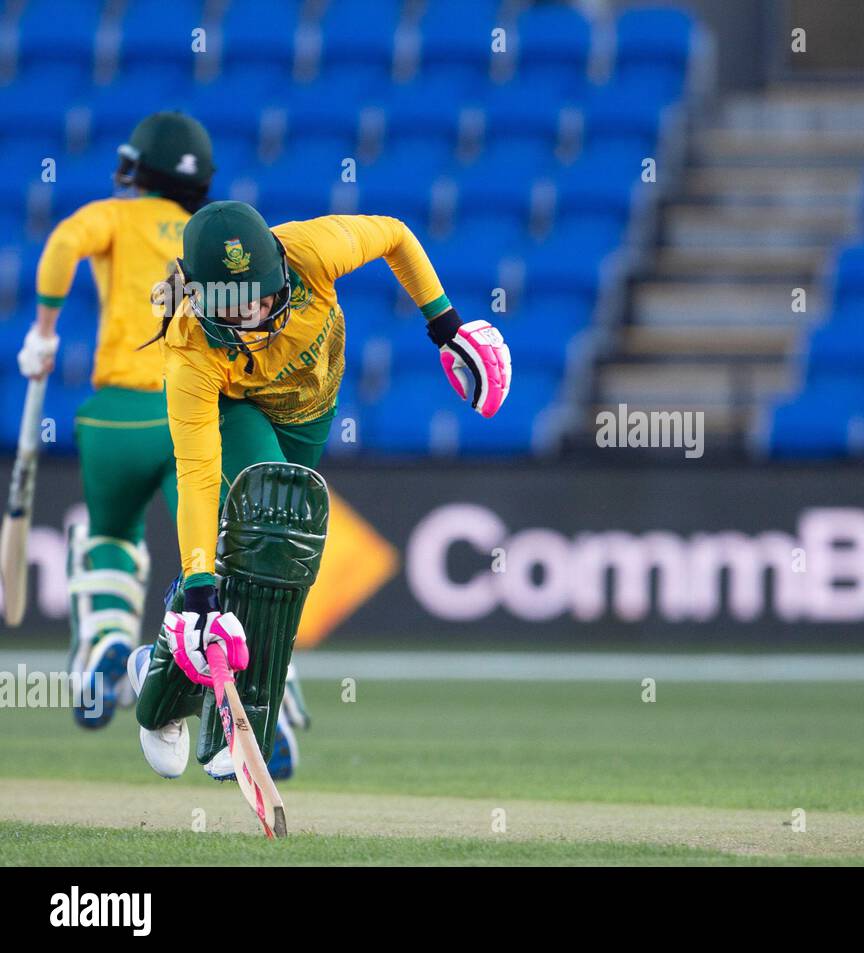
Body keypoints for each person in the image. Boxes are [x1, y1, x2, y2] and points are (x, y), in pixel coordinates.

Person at [129, 200, 511, 781]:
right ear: (199, 295)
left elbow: (396, 235)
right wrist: (203, 589)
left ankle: (160, 687)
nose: (249, 317)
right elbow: (200, 474)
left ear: (280, 272)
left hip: (310, 414)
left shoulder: (311, 251)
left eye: (257, 296)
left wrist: (445, 326)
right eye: (229, 304)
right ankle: (242, 723)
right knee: (271, 539)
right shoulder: (190, 350)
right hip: (241, 410)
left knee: (272, 551)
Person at [21, 112, 213, 729]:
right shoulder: (209, 233)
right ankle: (221, 688)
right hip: (188, 413)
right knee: (203, 556)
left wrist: (43, 332)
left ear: (142, 169)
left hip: (113, 420)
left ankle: (105, 636)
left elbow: (61, 247)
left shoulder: (115, 215)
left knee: (109, 534)